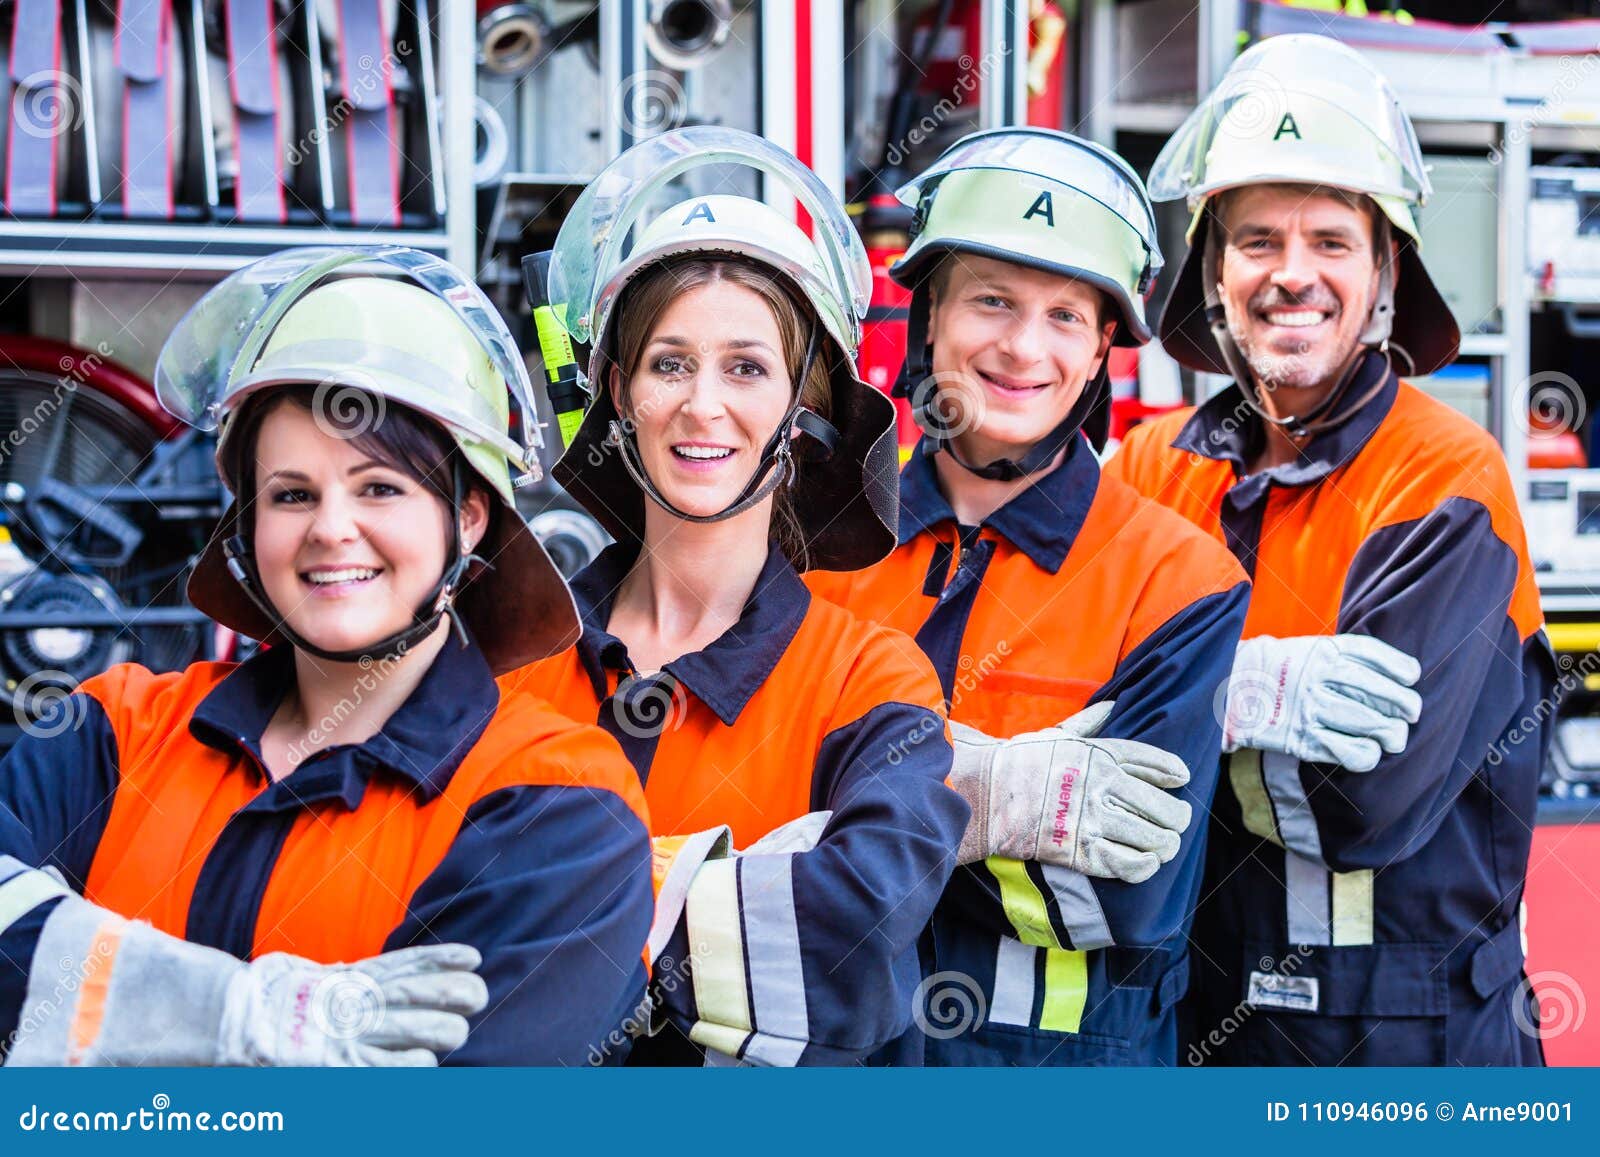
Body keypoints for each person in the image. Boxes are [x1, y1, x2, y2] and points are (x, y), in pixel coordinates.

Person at [0, 247, 653, 1067]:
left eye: (380, 487)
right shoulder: (117, 732)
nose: (329, 528)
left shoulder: (555, 809)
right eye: (291, 493)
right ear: (246, 527)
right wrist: (222, 1015)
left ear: (472, 518)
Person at [1107, 34, 1554, 1066]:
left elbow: (1365, 804)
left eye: (1330, 241)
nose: (1291, 274)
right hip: (1202, 1022)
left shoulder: (1444, 474)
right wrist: (1247, 695)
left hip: (1416, 1039)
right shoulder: (1147, 469)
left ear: (1384, 266)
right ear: (1210, 271)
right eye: (1256, 240)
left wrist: (1166, 709)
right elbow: (1043, 713)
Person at [504, 127, 969, 1066]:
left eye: (746, 367)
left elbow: (853, 943)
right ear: (617, 394)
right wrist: (733, 892)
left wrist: (572, 903)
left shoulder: (870, 678)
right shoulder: (516, 662)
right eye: (669, 362)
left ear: (805, 413)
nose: (702, 404)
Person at [808, 127, 1249, 1065]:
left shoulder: (1179, 578)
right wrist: (992, 802)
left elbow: (1132, 897)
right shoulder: (822, 544)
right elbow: (750, 796)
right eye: (992, 301)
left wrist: (862, 817)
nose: (1020, 347)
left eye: (1064, 316)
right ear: (929, 316)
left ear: (1100, 354)